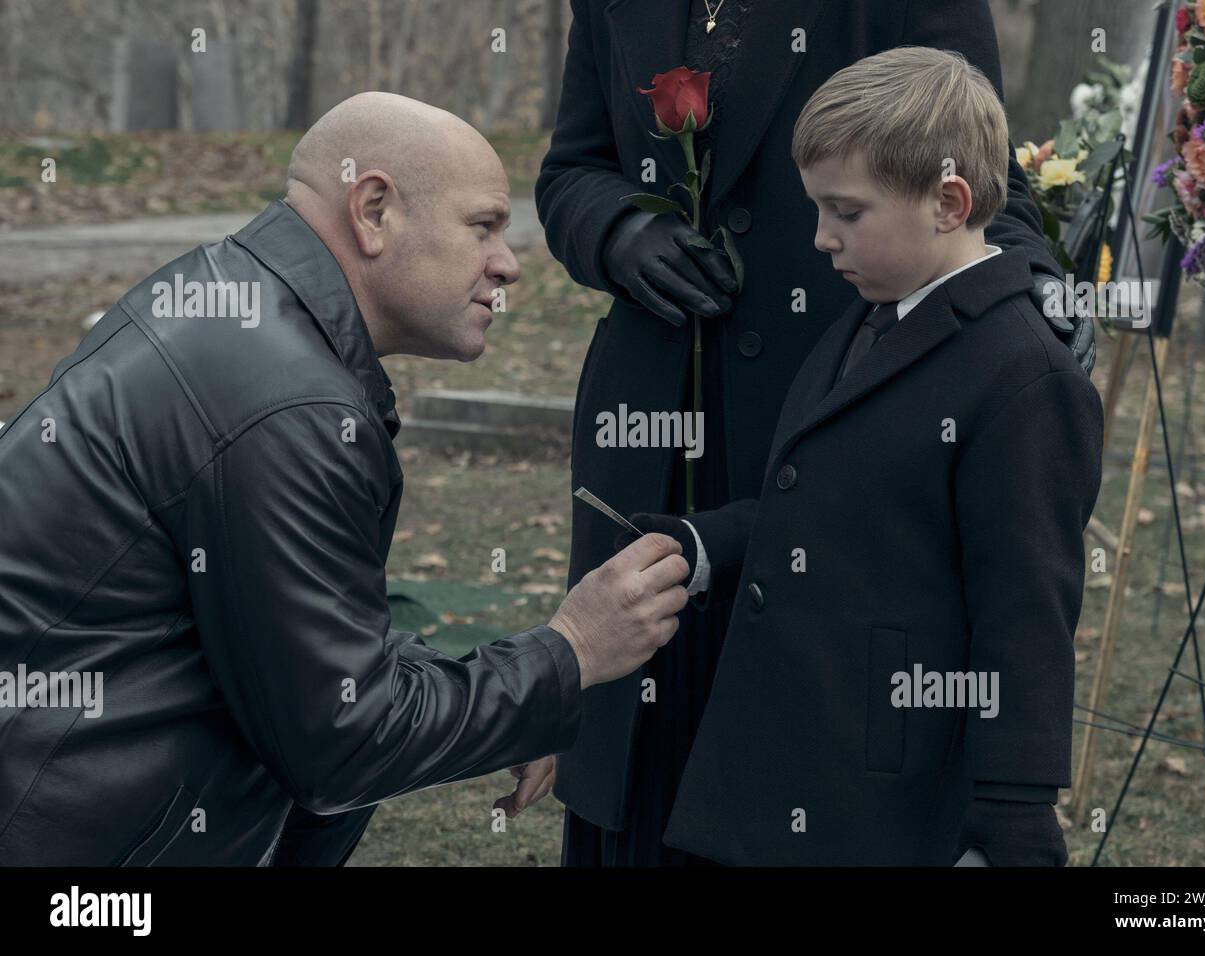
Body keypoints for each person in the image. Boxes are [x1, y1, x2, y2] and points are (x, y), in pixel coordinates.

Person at [0, 92, 690, 867]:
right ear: (374, 209)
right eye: (484, 226)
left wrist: (500, 691)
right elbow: (341, 743)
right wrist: (569, 652)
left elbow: (282, 629)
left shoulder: (237, 308)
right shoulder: (284, 402)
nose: (510, 264)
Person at [537, 0, 1097, 867]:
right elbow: (573, 168)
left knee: (791, 723)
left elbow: (971, 155)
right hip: (653, 414)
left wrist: (1028, 286)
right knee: (641, 701)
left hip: (831, 385)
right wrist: (619, 230)